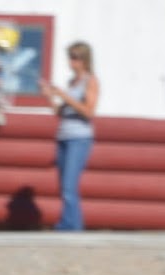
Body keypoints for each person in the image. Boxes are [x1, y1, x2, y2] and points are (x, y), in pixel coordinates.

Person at [40, 41, 99, 231]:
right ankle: (69, 223)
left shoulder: (90, 81)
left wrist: (65, 96)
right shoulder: (71, 83)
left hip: (79, 138)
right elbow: (60, 112)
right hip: (64, 137)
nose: (71, 62)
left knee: (69, 186)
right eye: (70, 57)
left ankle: (72, 226)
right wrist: (50, 96)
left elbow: (89, 112)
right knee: (64, 186)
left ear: (84, 60)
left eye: (74, 58)